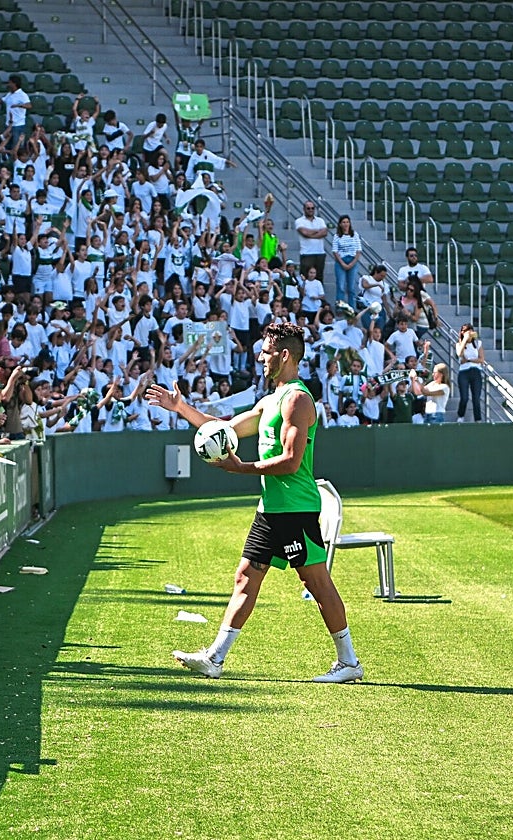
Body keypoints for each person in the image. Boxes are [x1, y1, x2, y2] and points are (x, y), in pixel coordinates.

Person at [146, 321, 363, 683]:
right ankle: (215, 657)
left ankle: (349, 662)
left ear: (284, 355)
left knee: (317, 584)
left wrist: (240, 468)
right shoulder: (271, 400)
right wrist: (182, 408)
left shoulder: (297, 399)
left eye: (265, 352)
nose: (260, 358)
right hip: (271, 508)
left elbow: (292, 461)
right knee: (245, 577)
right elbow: (225, 428)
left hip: (295, 508)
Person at [455, 323, 484, 423]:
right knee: (465, 397)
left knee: (476, 398)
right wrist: (464, 340)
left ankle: (478, 419)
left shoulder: (478, 343)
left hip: (475, 371)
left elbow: (481, 359)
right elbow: (459, 354)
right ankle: (460, 415)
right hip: (464, 372)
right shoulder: (459, 344)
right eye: (465, 331)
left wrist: (469, 360)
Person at [294, 200, 328, 283]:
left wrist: (310, 234)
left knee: (319, 279)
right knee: (305, 279)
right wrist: (318, 232)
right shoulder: (299, 221)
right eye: (308, 208)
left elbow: (324, 232)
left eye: (312, 208)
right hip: (306, 253)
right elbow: (304, 233)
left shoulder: (320, 220)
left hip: (320, 253)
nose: (310, 210)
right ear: (304, 209)